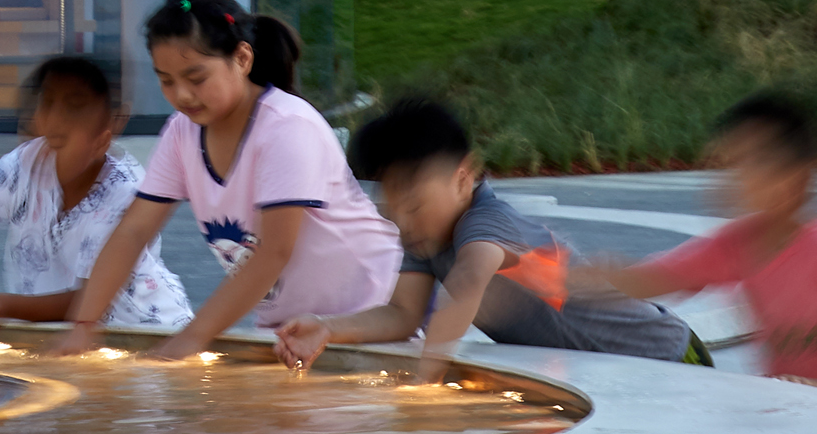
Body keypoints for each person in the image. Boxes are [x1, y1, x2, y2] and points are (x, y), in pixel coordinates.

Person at [54, 0, 399, 361]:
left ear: (242, 58)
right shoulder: (180, 132)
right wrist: (83, 327)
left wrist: (190, 339)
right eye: (166, 80)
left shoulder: (288, 127)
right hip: (290, 329)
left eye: (196, 77)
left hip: (372, 317)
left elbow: (273, 252)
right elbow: (133, 230)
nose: (182, 94)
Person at [273, 95, 705, 378]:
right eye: (391, 208)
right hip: (609, 371)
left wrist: (423, 384)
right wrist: (327, 328)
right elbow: (402, 315)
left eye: (415, 205)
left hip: (667, 355)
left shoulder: (489, 221)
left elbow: (466, 285)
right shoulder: (426, 238)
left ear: (465, 177)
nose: (403, 222)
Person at [583, 92, 817, 393]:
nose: (739, 177)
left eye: (758, 162)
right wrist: (566, 278)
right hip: (798, 404)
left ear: (803, 174)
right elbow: (653, 278)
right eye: (731, 163)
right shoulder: (736, 245)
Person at [0, 54, 193, 339]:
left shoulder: (127, 191)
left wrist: (7, 305)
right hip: (58, 336)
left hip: (146, 334)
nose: (54, 120)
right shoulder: (25, 162)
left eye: (74, 107)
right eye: (47, 102)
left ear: (111, 124)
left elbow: (91, 299)